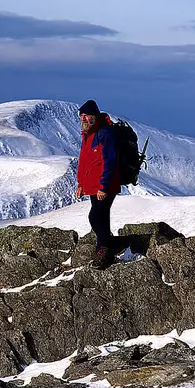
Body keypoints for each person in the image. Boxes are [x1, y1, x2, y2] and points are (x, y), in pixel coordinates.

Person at [75, 99, 121, 269]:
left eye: (86, 116)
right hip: (93, 186)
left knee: (95, 216)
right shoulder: (87, 135)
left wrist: (104, 186)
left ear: (94, 116)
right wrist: (81, 184)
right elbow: (84, 162)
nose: (83, 119)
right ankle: (106, 249)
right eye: (81, 116)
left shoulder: (105, 133)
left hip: (104, 186)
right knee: (101, 217)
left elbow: (110, 161)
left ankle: (104, 251)